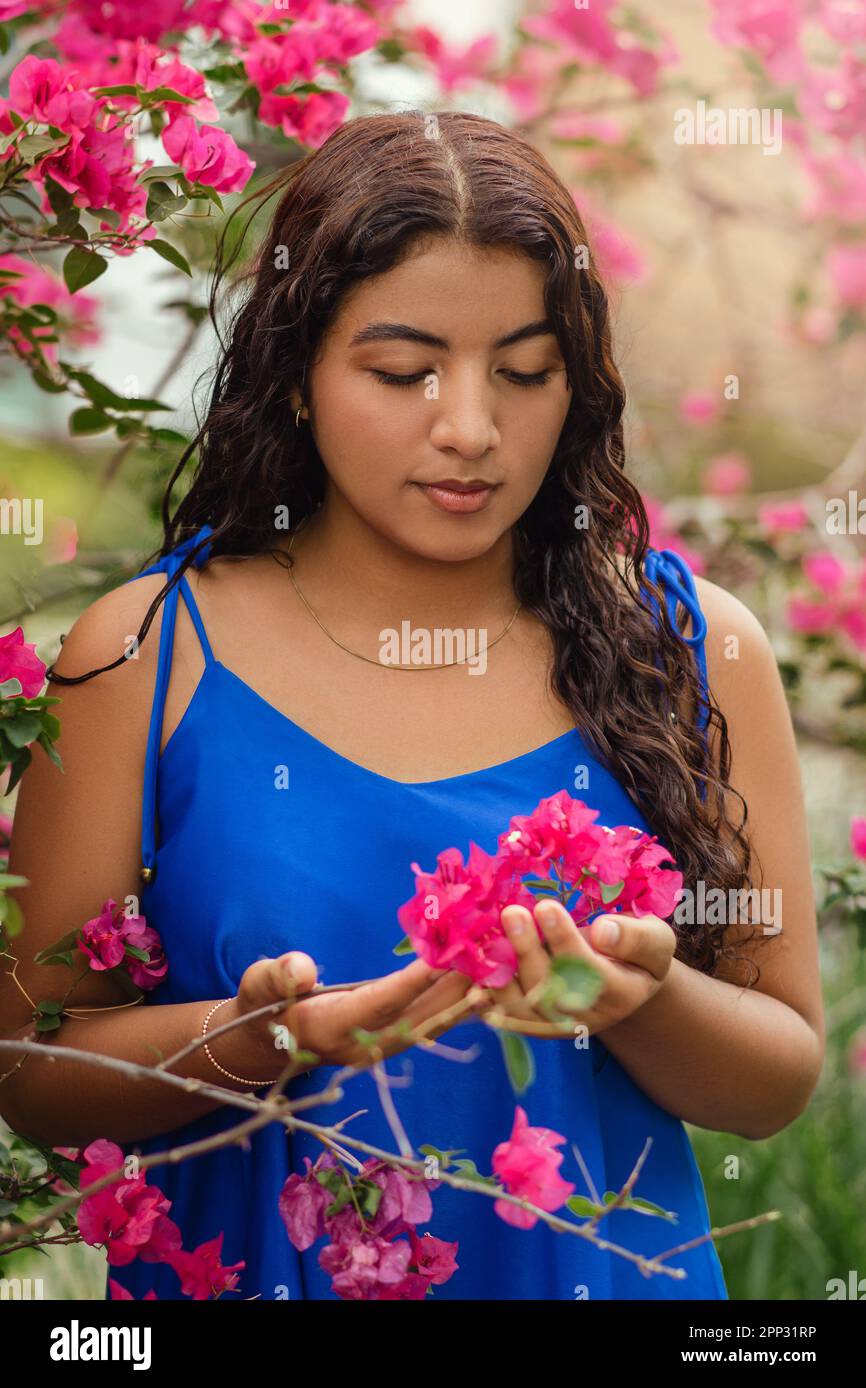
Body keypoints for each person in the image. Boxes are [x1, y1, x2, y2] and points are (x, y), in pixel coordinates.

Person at [0, 110, 823, 1301]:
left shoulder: (695, 649)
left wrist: (642, 998)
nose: (470, 428)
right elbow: (31, 1071)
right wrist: (266, 1035)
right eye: (402, 372)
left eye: (525, 371)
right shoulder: (145, 651)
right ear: (294, 377)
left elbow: (775, 1077)